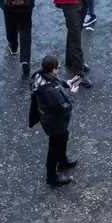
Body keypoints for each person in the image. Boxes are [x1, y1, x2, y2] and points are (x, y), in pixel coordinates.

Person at [29, 54, 81, 186]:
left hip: (50, 119)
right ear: (52, 69)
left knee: (63, 137)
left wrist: (66, 83)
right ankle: (51, 177)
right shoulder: (49, 90)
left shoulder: (39, 76)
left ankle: (63, 161)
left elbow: (55, 82)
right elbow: (63, 107)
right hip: (54, 122)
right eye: (58, 67)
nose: (59, 69)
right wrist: (72, 94)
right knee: (54, 147)